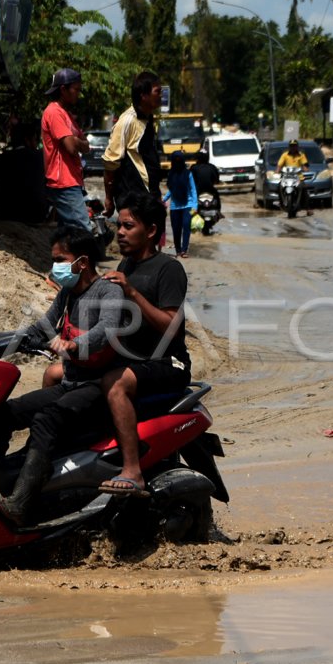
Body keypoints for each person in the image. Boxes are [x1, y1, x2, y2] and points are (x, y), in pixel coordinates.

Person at [0, 226, 125, 523]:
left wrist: (74, 344)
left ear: (82, 263)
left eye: (61, 260)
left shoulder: (108, 290)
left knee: (46, 420)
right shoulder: (67, 294)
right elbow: (43, 327)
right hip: (71, 382)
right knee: (3, 414)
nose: (55, 267)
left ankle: (20, 505)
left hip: (98, 386)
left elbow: (107, 329)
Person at [97, 189, 191, 497]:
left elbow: (171, 328)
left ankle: (132, 471)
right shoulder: (127, 266)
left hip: (166, 363)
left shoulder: (169, 269)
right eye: (119, 225)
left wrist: (131, 292)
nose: (120, 232)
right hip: (134, 358)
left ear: (151, 231)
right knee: (57, 374)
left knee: (115, 383)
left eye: (128, 226)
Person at [103, 71, 164, 215]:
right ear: (143, 95)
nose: (161, 96)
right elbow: (110, 163)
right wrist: (108, 198)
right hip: (134, 201)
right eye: (157, 92)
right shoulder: (126, 121)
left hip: (150, 197)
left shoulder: (149, 119)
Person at [41, 68, 91, 229]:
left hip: (71, 180)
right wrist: (77, 141)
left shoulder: (66, 114)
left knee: (69, 234)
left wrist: (78, 141)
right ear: (63, 89)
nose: (78, 94)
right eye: (76, 89)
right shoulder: (54, 113)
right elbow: (71, 146)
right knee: (83, 229)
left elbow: (86, 146)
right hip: (63, 181)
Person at [0, 121, 49, 223]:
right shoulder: (41, 157)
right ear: (27, 140)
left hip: (7, 212)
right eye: (35, 140)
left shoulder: (1, 159)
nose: (36, 144)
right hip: (35, 213)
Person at [165, 151, 196, 258]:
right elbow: (172, 190)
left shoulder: (188, 174)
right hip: (174, 206)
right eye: (175, 160)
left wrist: (195, 206)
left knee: (186, 226)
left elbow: (193, 190)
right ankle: (178, 250)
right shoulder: (171, 174)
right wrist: (164, 199)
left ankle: (184, 250)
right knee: (176, 229)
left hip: (188, 205)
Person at [274, 139, 314, 217]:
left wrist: (305, 169)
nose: (293, 147)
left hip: (298, 177)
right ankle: (280, 201)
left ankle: (307, 208)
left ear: (297, 147)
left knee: (304, 188)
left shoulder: (301, 155)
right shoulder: (284, 155)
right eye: (291, 146)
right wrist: (277, 171)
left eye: (294, 146)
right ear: (289, 147)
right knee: (279, 186)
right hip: (286, 177)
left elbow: (305, 166)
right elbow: (279, 166)